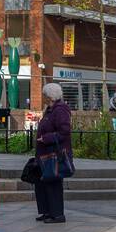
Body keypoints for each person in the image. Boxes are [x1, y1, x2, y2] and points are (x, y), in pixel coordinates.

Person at [33, 82, 72, 224]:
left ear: (50, 96)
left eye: (44, 95)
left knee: (53, 183)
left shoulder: (60, 110)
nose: (42, 97)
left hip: (54, 154)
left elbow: (65, 132)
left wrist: (46, 138)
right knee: (43, 183)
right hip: (44, 154)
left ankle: (57, 214)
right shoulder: (50, 110)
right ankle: (47, 212)